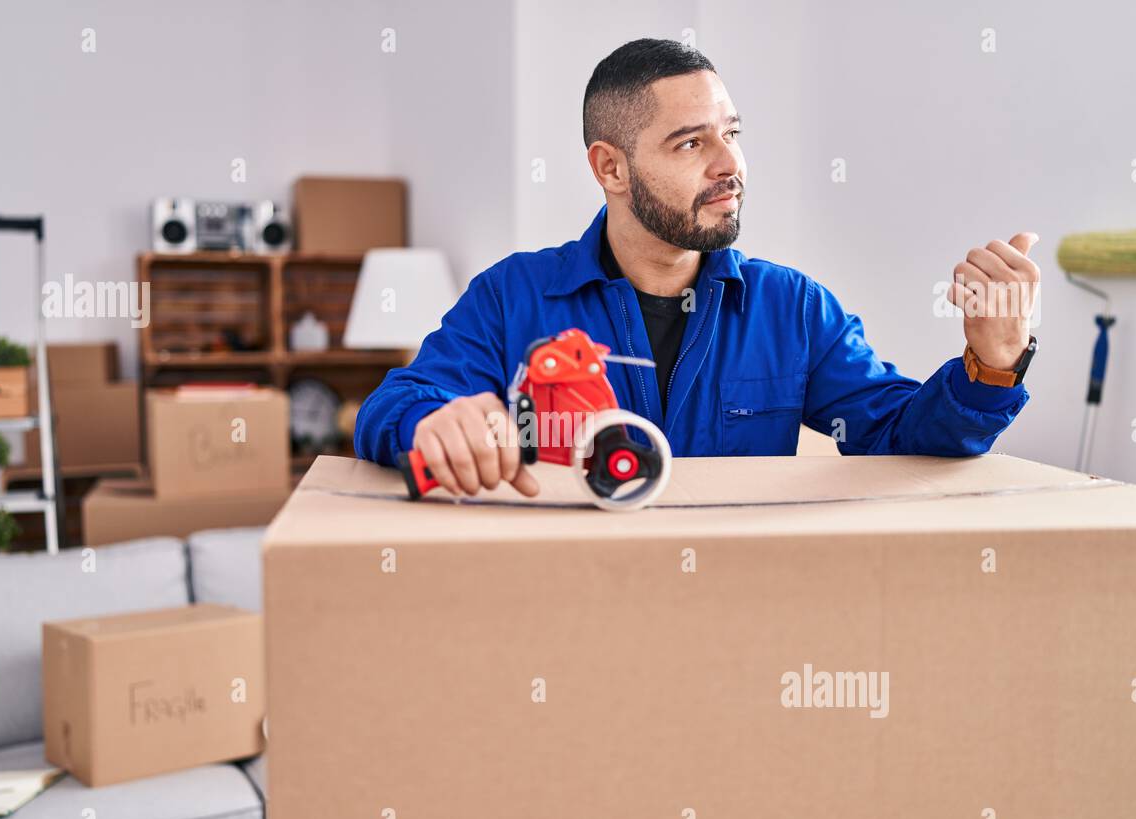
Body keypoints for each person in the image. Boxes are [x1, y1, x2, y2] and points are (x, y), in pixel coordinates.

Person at [355, 38, 1039, 499]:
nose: (729, 165)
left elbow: (899, 439)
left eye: (731, 134)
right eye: (691, 142)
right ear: (611, 167)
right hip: (565, 614)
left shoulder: (794, 310)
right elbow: (392, 407)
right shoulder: (512, 297)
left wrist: (992, 365)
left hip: (735, 621)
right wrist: (430, 425)